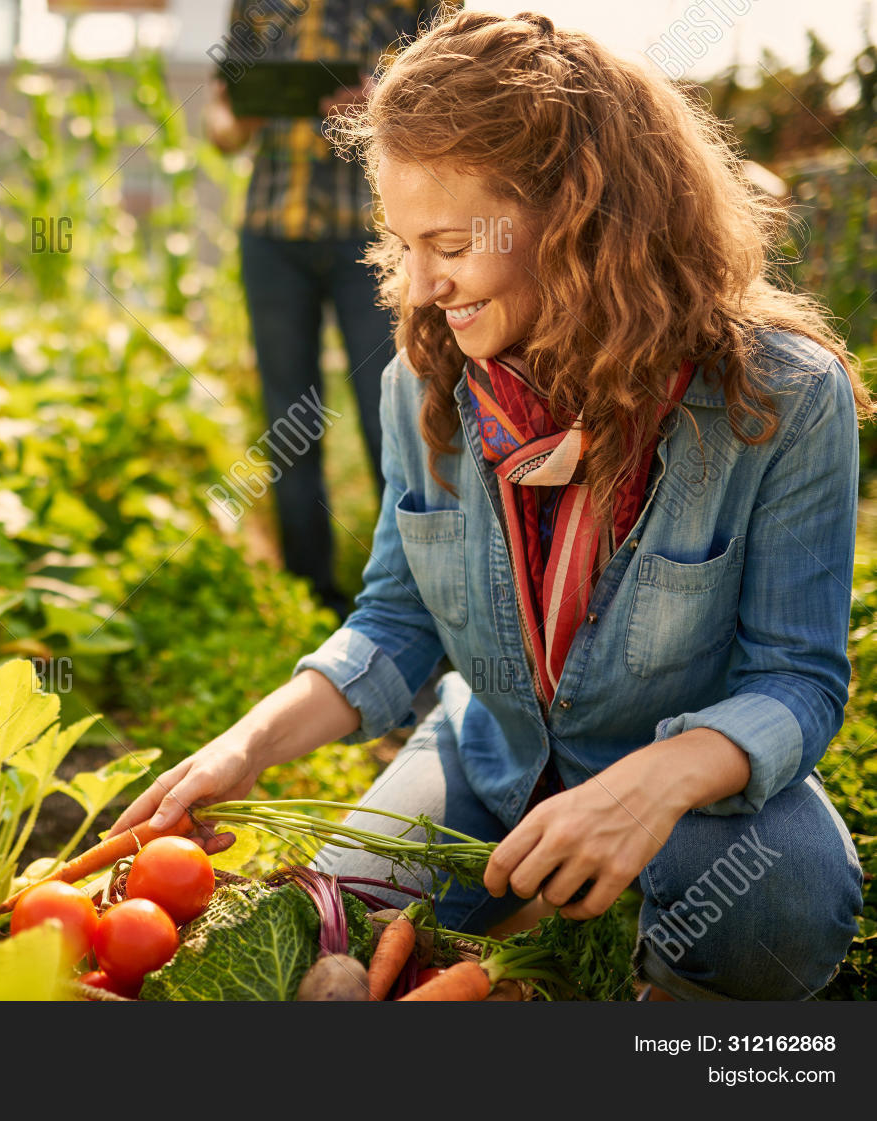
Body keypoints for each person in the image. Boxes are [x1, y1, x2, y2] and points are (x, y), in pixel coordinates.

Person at [117, 9, 868, 1000]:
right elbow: (395, 620)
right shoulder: (422, 384)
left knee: (781, 915)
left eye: (450, 244)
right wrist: (246, 744)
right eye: (402, 243)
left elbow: (796, 680)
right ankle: (521, 927)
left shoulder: (781, 398)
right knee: (333, 926)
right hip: (491, 753)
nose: (421, 287)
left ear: (574, 220)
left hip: (693, 786)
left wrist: (656, 780)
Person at [207, 0, 448, 617]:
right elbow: (221, 127)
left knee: (394, 409)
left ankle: (418, 595)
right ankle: (312, 592)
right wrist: (255, 104)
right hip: (272, 231)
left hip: (374, 236)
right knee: (289, 418)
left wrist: (380, 110)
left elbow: (454, 108)